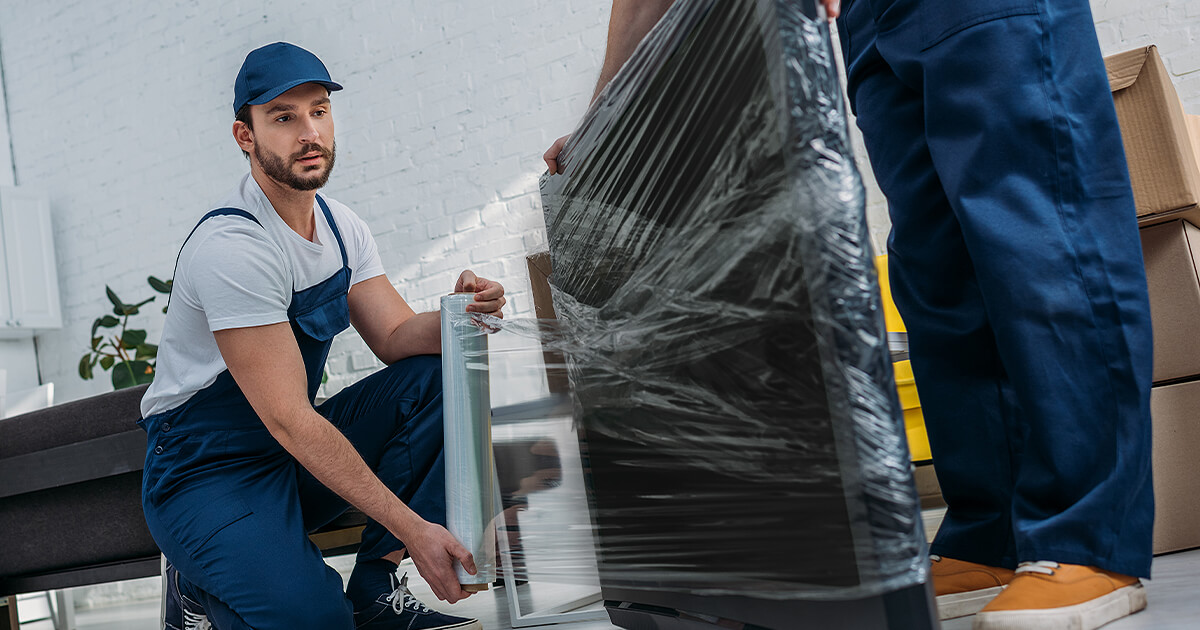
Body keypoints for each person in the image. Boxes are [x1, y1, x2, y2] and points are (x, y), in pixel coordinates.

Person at [545, 2, 1153, 630]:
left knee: (1040, 238)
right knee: (938, 279)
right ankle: (992, 537)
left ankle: (1088, 541)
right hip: (871, 19)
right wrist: (605, 119)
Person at [139, 42, 502, 630]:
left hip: (286, 457)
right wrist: (417, 528)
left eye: (318, 111)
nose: (309, 132)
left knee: (436, 377)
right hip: (205, 472)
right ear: (245, 135)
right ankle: (197, 587)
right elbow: (290, 417)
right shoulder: (233, 247)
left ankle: (376, 590)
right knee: (314, 621)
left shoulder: (340, 225)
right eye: (283, 117)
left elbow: (395, 336)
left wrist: (460, 316)